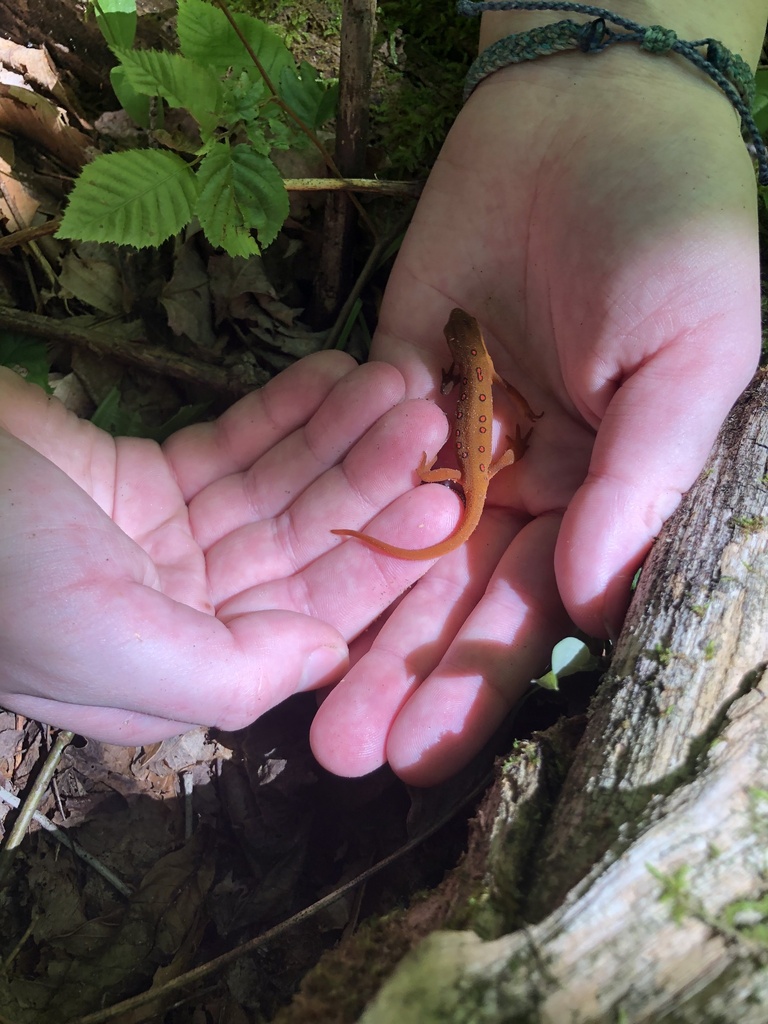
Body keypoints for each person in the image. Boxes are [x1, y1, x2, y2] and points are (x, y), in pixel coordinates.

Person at [0, 2, 763, 786]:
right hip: (480, 473)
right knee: (438, 487)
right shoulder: (481, 373)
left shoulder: (471, 372)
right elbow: (500, 402)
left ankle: (418, 513)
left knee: (437, 487)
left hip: (472, 475)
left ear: (465, 357)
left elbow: (475, 391)